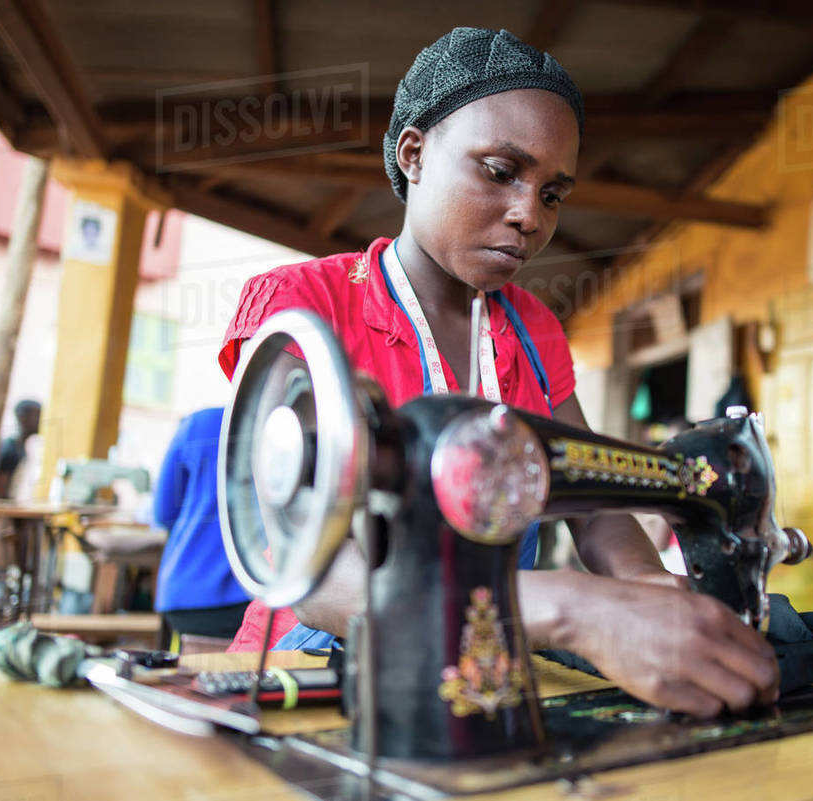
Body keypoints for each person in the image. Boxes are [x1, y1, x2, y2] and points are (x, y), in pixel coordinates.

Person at [218, 27, 778, 717]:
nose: (528, 215)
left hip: (482, 675)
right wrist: (576, 608)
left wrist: (653, 596)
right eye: (499, 170)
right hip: (307, 681)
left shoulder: (534, 333)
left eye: (553, 193)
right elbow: (317, 577)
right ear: (414, 154)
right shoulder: (304, 307)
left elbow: (596, 506)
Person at [153, 407, 250, 638]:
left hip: (187, 595)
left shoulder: (198, 424)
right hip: (257, 599)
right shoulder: (288, 421)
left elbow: (164, 513)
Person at [0, 399, 40, 499]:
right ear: (22, 418)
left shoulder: (23, 448)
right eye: (37, 416)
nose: (40, 421)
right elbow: (0, 492)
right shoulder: (10, 449)